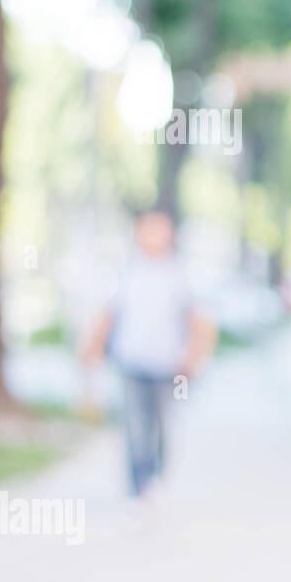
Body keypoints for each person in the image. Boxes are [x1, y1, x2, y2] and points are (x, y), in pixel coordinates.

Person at [80, 208, 216, 502]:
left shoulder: (180, 273)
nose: (152, 234)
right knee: (134, 427)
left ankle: (156, 478)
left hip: (169, 367)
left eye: (159, 228)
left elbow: (199, 319)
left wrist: (194, 356)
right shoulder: (126, 271)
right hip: (130, 362)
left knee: (162, 427)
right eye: (147, 228)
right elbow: (108, 314)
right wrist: (92, 349)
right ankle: (140, 488)